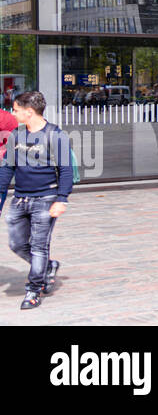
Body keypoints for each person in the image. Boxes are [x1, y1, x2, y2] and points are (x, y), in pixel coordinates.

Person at [0, 92, 74, 309]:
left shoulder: (55, 135)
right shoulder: (16, 135)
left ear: (29, 112)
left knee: (39, 246)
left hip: (46, 198)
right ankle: (48, 267)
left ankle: (34, 290)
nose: (13, 114)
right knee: (17, 244)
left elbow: (66, 170)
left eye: (16, 110)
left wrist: (62, 199)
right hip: (20, 199)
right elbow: (7, 168)